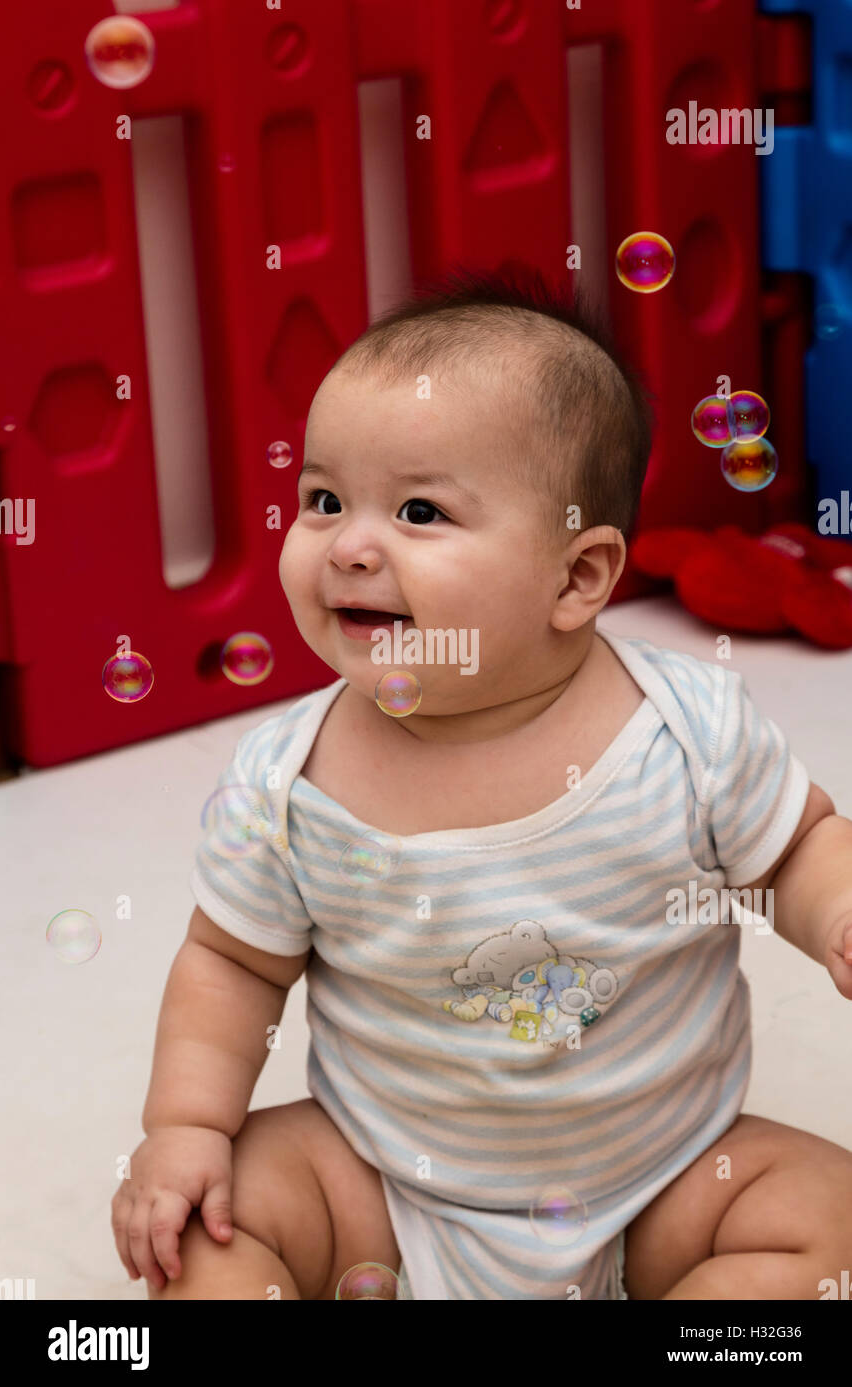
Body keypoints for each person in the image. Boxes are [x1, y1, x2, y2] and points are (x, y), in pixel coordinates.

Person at [112, 266, 852, 1300]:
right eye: (323, 499)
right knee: (207, 1236)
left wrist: (833, 912)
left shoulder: (684, 730)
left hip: (663, 1181)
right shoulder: (288, 784)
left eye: (418, 510)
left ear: (575, 577)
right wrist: (185, 1126)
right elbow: (232, 966)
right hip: (378, 1183)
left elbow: (797, 846)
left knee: (829, 1220)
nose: (349, 545)